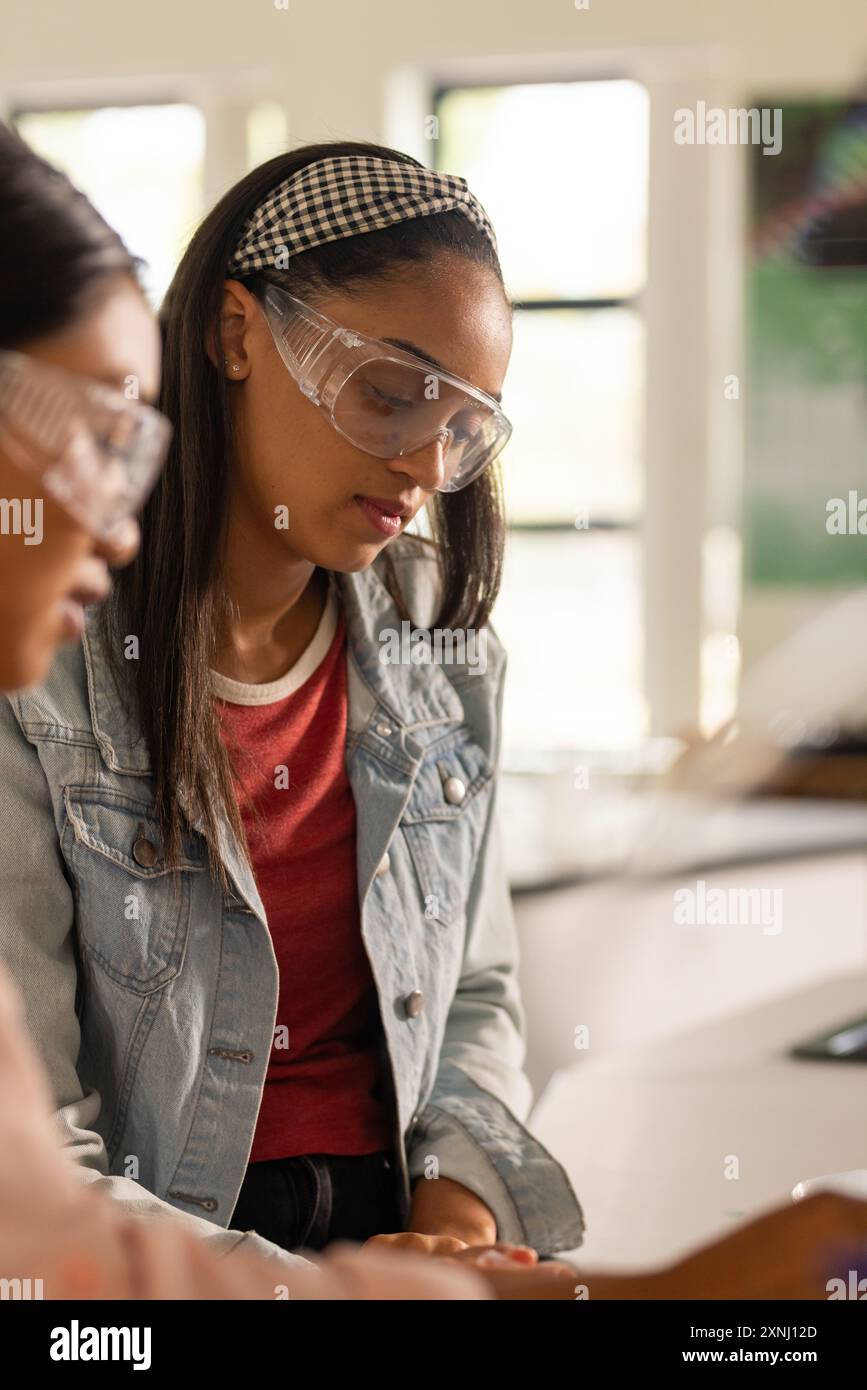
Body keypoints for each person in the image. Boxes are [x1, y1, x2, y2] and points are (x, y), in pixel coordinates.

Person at [1, 122, 866, 1303]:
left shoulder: (435, 633)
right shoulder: (40, 655)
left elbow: (475, 995)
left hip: (385, 1236)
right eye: (393, 393)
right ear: (237, 333)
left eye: (463, 425)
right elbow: (45, 1211)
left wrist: (454, 1224)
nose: (422, 463)